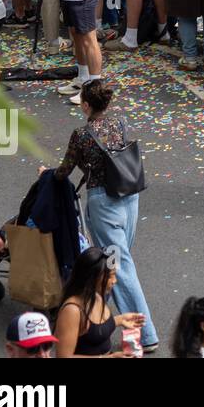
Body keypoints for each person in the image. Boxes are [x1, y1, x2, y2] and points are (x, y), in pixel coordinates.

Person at [54, 80, 158, 352]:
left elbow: (65, 170)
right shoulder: (121, 123)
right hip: (129, 196)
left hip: (104, 203)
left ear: (86, 105)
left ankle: (145, 334)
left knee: (118, 266)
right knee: (121, 261)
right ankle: (103, 316)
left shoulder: (82, 134)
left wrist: (48, 175)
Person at [54, 245, 146, 358]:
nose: (114, 281)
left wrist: (120, 319)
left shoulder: (97, 295)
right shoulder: (72, 311)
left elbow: (95, 330)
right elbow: (63, 356)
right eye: (110, 277)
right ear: (93, 278)